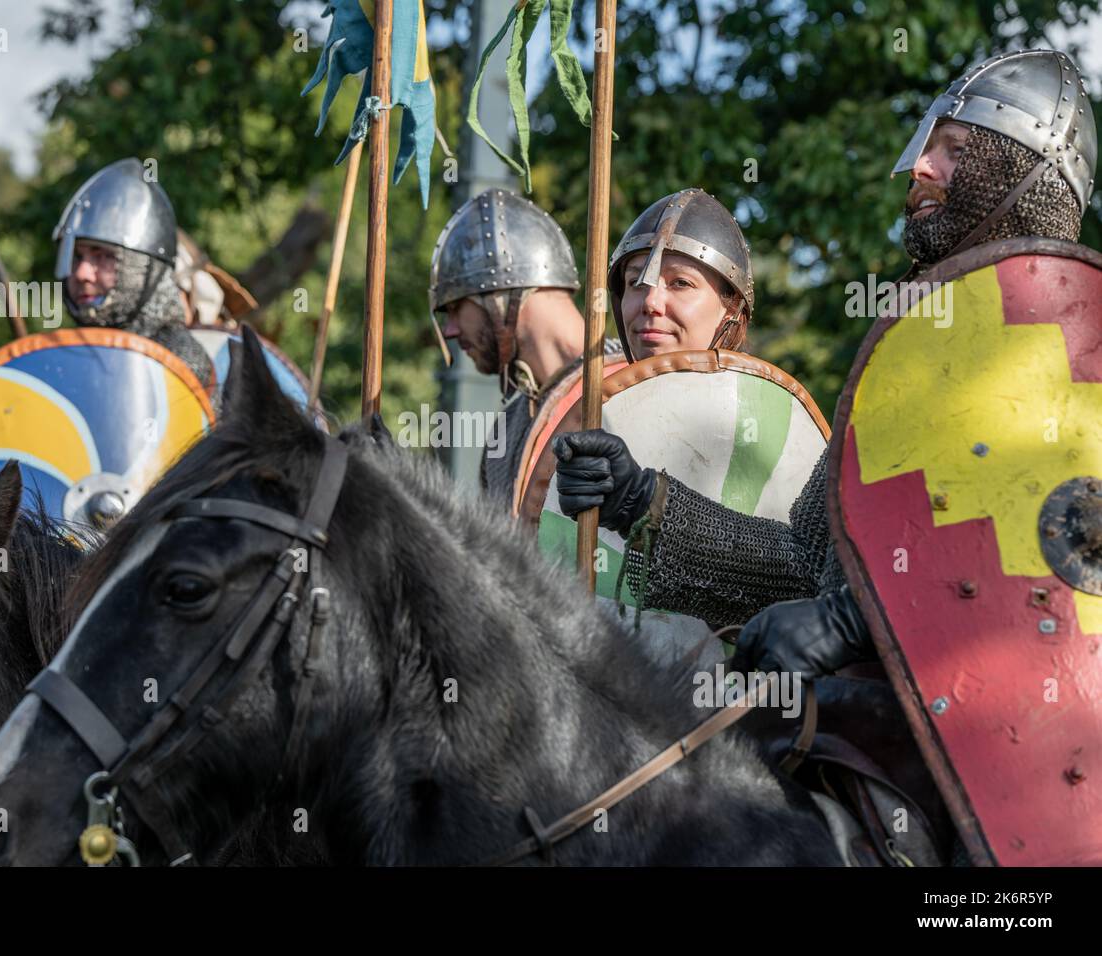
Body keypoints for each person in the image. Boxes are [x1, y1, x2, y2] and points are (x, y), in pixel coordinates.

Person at [550, 49, 1096, 672]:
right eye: (927, 145)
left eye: (954, 149)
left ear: (1021, 173)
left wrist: (856, 624)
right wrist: (639, 500)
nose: (920, 167)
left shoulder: (1074, 344)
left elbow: (1052, 558)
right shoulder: (910, 354)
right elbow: (805, 564)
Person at [0, 158, 216, 454]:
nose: (82, 272)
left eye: (103, 257)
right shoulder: (64, 362)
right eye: (76, 255)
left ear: (146, 266)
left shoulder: (182, 362)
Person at [550, 187, 757, 538]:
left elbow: (788, 568)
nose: (650, 302)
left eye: (680, 283)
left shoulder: (763, 429)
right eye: (635, 282)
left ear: (731, 309)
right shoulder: (602, 422)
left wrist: (643, 503)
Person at [429, 189, 617, 503]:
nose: (449, 330)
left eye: (455, 307)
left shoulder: (628, 387)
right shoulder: (506, 429)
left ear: (501, 297)